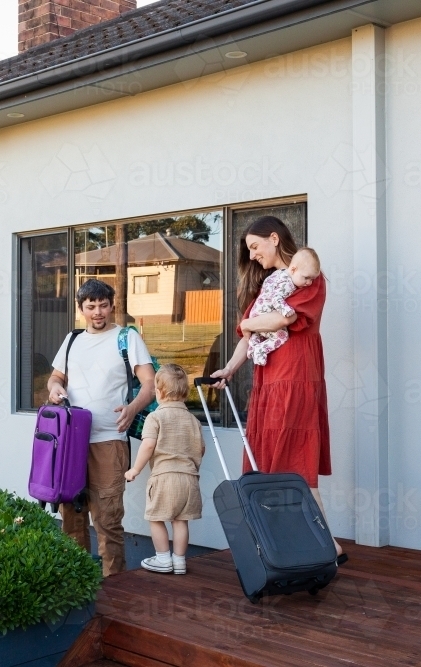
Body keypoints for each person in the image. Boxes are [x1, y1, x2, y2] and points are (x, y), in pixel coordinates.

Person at [210, 216, 345, 561]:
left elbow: (280, 320)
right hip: (268, 381)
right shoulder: (269, 286)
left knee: (298, 462)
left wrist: (247, 322)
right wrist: (228, 369)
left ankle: (327, 543)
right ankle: (285, 545)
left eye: (255, 247)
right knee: (268, 463)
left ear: (273, 238)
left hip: (296, 377)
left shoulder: (308, 278)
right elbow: (249, 335)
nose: (253, 255)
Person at [47, 279, 156, 576]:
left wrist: (133, 408)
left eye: (103, 305)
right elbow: (56, 378)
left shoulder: (126, 338)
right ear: (80, 308)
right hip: (70, 441)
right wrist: (55, 387)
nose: (98, 312)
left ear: (112, 305)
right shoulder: (72, 339)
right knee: (70, 516)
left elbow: (150, 383)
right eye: (91, 306)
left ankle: (114, 589)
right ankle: (77, 580)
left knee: (107, 519)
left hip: (109, 439)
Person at [124, 364, 204, 575]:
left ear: (158, 392)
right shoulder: (194, 420)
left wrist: (135, 470)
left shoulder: (155, 418)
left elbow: (148, 445)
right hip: (189, 479)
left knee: (156, 518)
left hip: (164, 478)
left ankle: (162, 559)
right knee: (180, 521)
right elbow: (200, 448)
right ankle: (179, 561)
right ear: (185, 393)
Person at [247, 247, 322, 366]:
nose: (309, 283)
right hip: (265, 314)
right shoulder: (288, 284)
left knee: (257, 333)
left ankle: (253, 346)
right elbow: (276, 298)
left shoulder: (277, 274)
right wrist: (285, 309)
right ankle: (261, 349)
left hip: (256, 313)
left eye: (312, 279)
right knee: (282, 336)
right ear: (293, 269)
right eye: (306, 278)